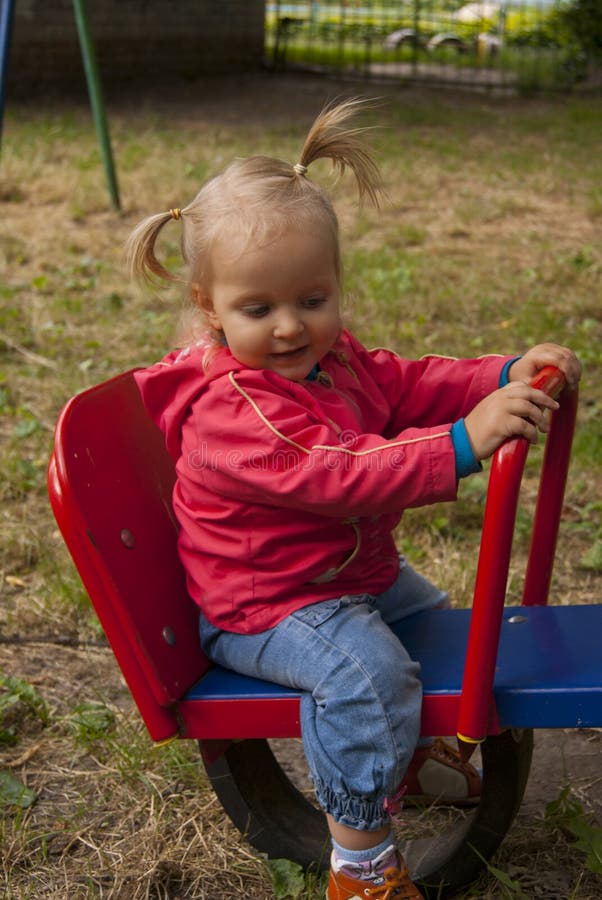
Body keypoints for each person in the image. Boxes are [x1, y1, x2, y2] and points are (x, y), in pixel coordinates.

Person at [125, 98, 581, 900]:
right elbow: (339, 470)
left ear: (335, 286)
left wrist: (497, 376)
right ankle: (361, 863)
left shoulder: (335, 363)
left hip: (346, 573)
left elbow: (407, 385)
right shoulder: (239, 412)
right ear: (210, 308)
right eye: (258, 310)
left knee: (427, 618)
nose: (292, 327)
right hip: (269, 601)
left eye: (312, 299)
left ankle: (407, 760)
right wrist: (462, 443)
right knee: (366, 678)